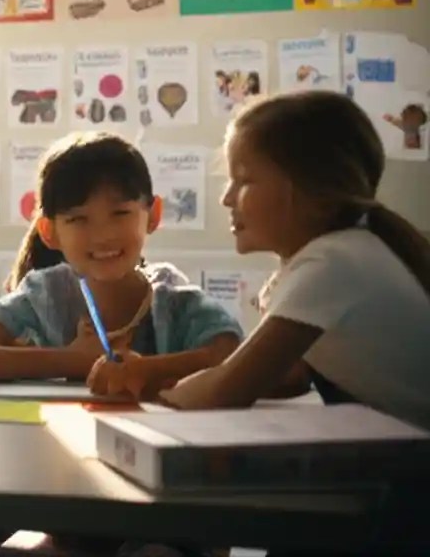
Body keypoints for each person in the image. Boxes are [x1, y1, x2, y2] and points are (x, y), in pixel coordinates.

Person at [162, 91, 430, 429]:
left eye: (244, 180)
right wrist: (158, 374)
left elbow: (224, 391)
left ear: (314, 192)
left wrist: (163, 395)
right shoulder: (341, 255)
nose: (227, 197)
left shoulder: (332, 263)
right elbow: (290, 376)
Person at [0, 132, 243, 401]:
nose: (103, 236)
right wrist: (74, 359)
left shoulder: (172, 298)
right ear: (49, 231)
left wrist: (144, 370)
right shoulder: (45, 295)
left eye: (120, 213)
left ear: (153, 215)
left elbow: (233, 353)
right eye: (78, 219)